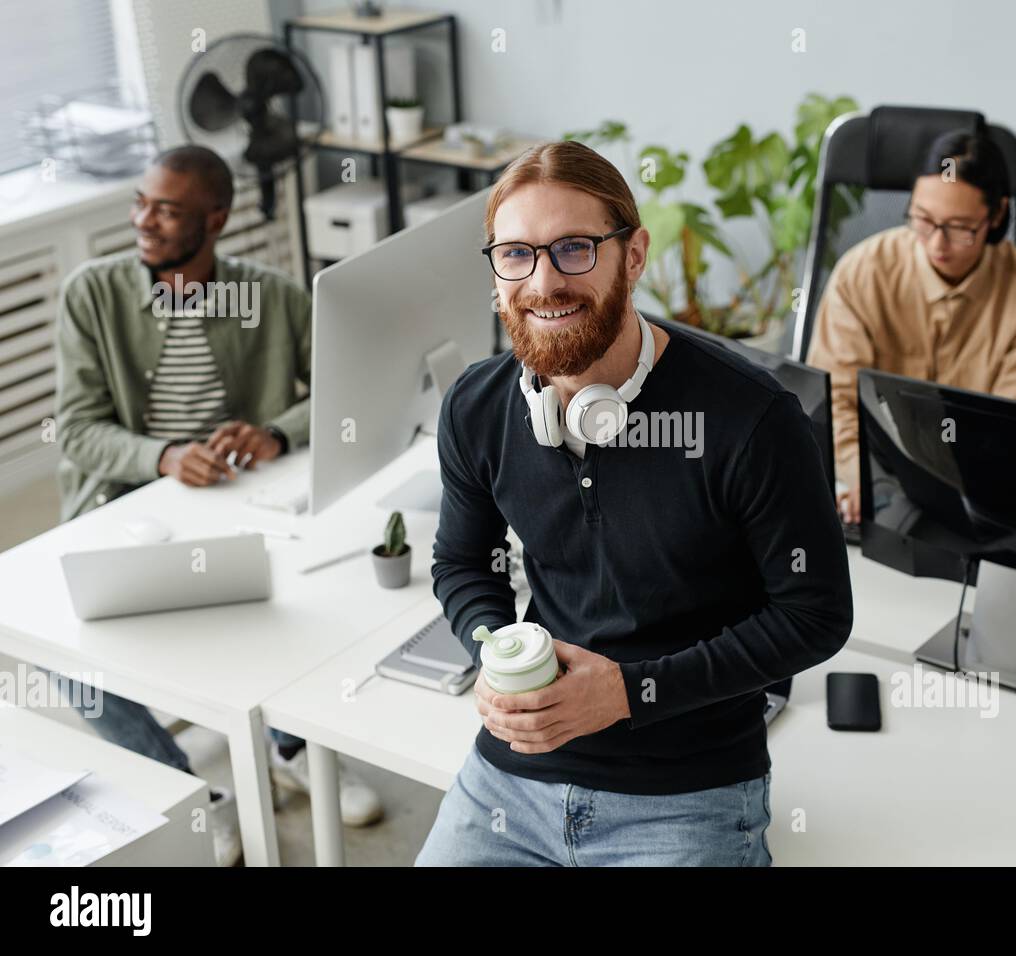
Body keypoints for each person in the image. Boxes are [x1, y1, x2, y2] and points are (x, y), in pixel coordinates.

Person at [415, 140, 853, 866]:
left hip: (688, 793)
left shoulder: (751, 420)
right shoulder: (476, 406)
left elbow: (815, 615)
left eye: (575, 249)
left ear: (635, 253)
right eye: (517, 254)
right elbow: (463, 562)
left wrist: (627, 693)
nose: (544, 281)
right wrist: (496, 652)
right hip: (514, 780)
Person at [52, 146, 381, 865]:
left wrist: (273, 432)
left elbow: (345, 391)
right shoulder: (93, 293)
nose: (144, 220)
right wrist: (163, 455)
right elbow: (76, 429)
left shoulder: (269, 294)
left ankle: (289, 743)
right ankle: (193, 793)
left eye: (167, 210)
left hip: (239, 505)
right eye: (140, 201)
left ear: (216, 219)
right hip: (123, 509)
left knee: (296, 601)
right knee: (67, 658)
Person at [807, 130, 1016, 524]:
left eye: (960, 228)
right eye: (923, 220)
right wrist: (867, 482)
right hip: (872, 491)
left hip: (977, 503)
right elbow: (834, 399)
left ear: (996, 216)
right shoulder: (863, 272)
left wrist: (954, 502)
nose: (936, 244)